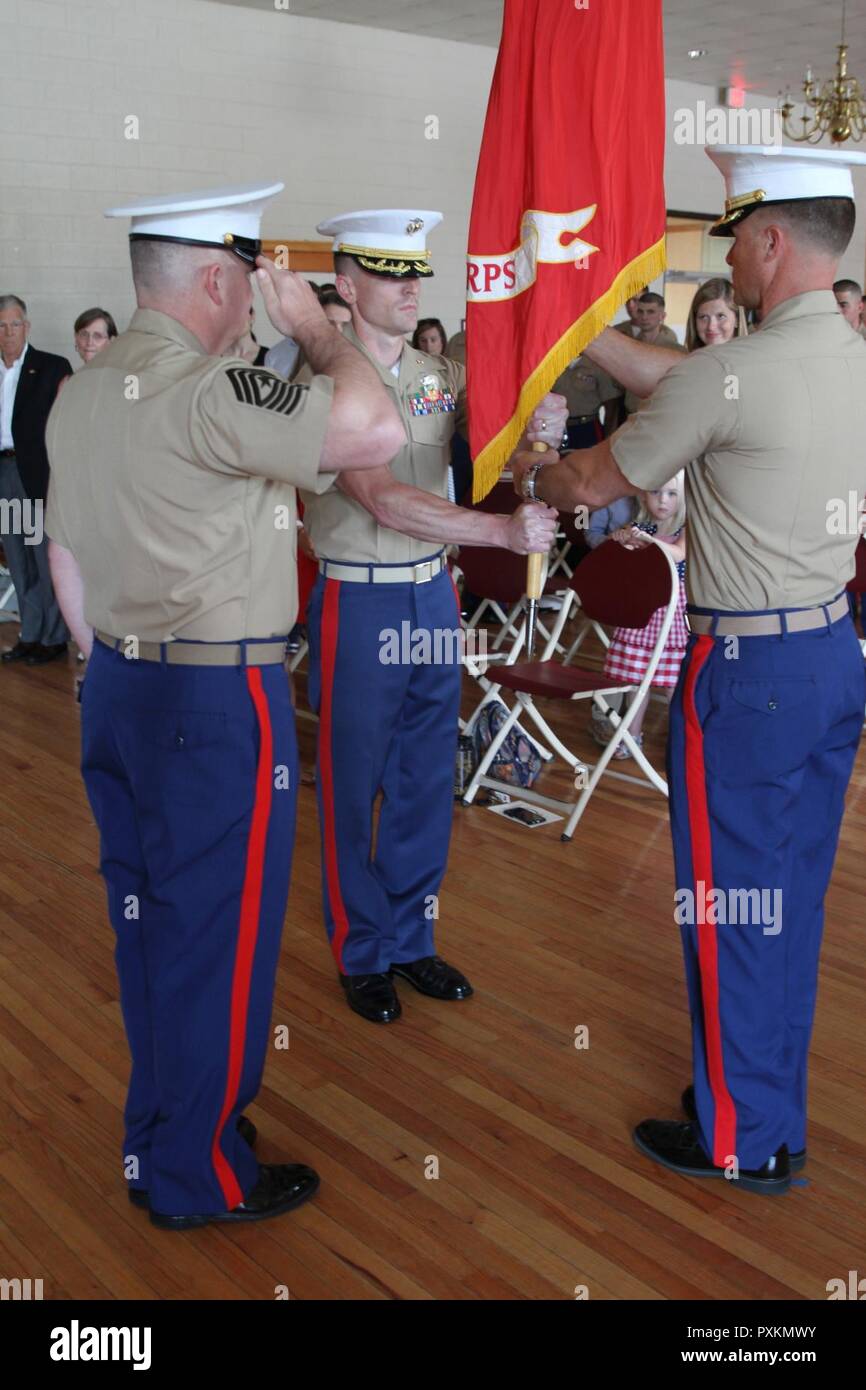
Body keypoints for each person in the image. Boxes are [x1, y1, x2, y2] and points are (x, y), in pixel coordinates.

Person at [44, 182, 406, 1231]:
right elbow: (374, 428)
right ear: (213, 277)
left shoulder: (85, 392)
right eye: (250, 279)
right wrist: (319, 334)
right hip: (213, 699)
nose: (258, 300)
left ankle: (158, 1130)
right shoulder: (207, 394)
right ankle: (199, 1174)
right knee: (220, 938)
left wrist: (103, 655)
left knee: (150, 930)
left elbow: (64, 552)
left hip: (117, 683)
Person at [511, 143, 866, 1196]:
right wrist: (584, 332)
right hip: (829, 657)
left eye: (733, 242)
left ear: (765, 241)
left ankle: (734, 1135)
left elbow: (594, 473)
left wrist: (531, 454)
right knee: (788, 902)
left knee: (726, 903)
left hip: (746, 676)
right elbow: (692, 380)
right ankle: (769, 1112)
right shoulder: (843, 352)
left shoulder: (731, 372)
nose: (729, 266)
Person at [301, 208, 559, 1024]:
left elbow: (485, 445)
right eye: (390, 272)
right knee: (352, 783)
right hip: (361, 594)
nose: (411, 287)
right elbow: (380, 497)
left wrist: (533, 445)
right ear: (346, 286)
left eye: (417, 271)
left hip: (431, 595)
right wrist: (496, 529)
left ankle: (411, 937)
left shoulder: (433, 374)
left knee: (423, 777)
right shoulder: (322, 390)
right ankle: (361, 947)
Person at [0, 294, 72, 666]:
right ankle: (30, 633)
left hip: (35, 477)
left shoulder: (49, 367)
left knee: (42, 556)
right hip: (5, 476)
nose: (9, 332)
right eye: (2, 325)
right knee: (18, 556)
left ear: (26, 327)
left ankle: (54, 636)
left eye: (15, 324)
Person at [597, 475, 687, 759]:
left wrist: (649, 541)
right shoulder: (640, 526)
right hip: (643, 607)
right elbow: (622, 560)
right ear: (642, 496)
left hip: (672, 609)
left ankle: (681, 741)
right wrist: (622, 540)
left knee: (675, 681)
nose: (663, 500)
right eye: (656, 492)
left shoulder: (689, 527)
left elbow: (679, 553)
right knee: (637, 678)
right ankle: (632, 734)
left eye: (672, 494)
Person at [684, 277, 738, 351]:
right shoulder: (687, 360)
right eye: (703, 317)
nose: (711, 327)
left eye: (721, 316)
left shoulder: (750, 360)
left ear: (737, 319)